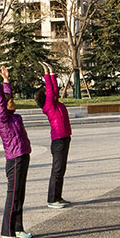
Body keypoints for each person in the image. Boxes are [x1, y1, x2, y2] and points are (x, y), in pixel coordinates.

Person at [0, 65, 32, 238]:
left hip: (24, 155)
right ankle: (7, 233)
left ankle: (18, 228)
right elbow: (1, 100)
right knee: (13, 196)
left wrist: (6, 79)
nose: (14, 101)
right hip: (15, 159)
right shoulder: (2, 118)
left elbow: (6, 96)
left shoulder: (14, 117)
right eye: (10, 100)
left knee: (20, 194)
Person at [41, 62, 72, 208]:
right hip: (58, 140)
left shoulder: (57, 103)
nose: (54, 94)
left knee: (61, 170)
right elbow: (50, 90)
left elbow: (53, 90)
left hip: (65, 138)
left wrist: (52, 72)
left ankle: (58, 197)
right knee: (57, 170)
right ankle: (52, 199)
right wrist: (46, 75)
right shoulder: (49, 106)